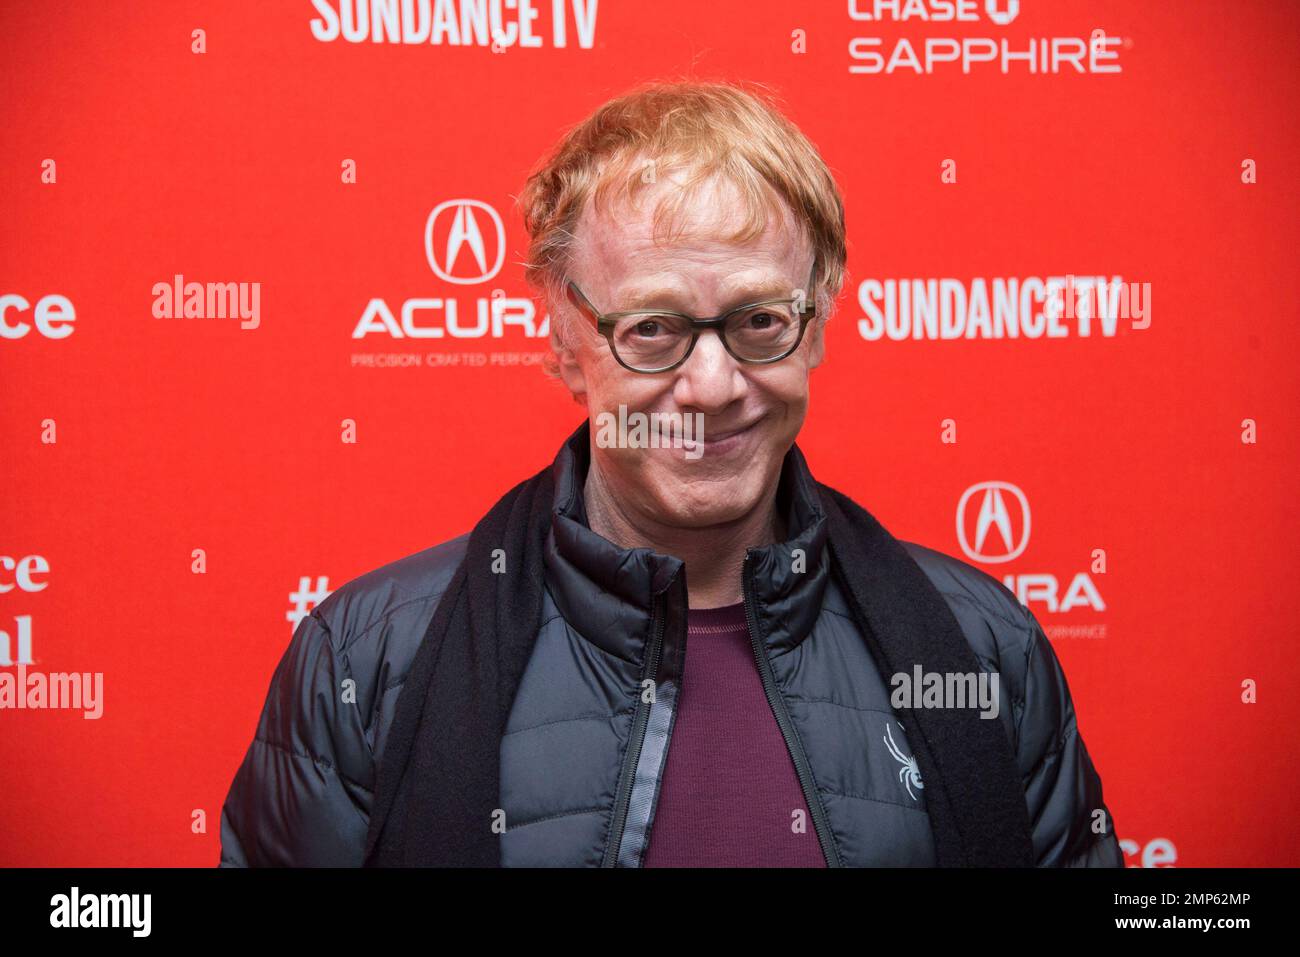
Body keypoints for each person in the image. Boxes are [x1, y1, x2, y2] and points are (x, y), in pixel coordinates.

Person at [218, 78, 1122, 868]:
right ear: (567, 344)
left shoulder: (979, 644)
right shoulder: (370, 658)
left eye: (759, 320)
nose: (713, 385)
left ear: (817, 324)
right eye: (651, 328)